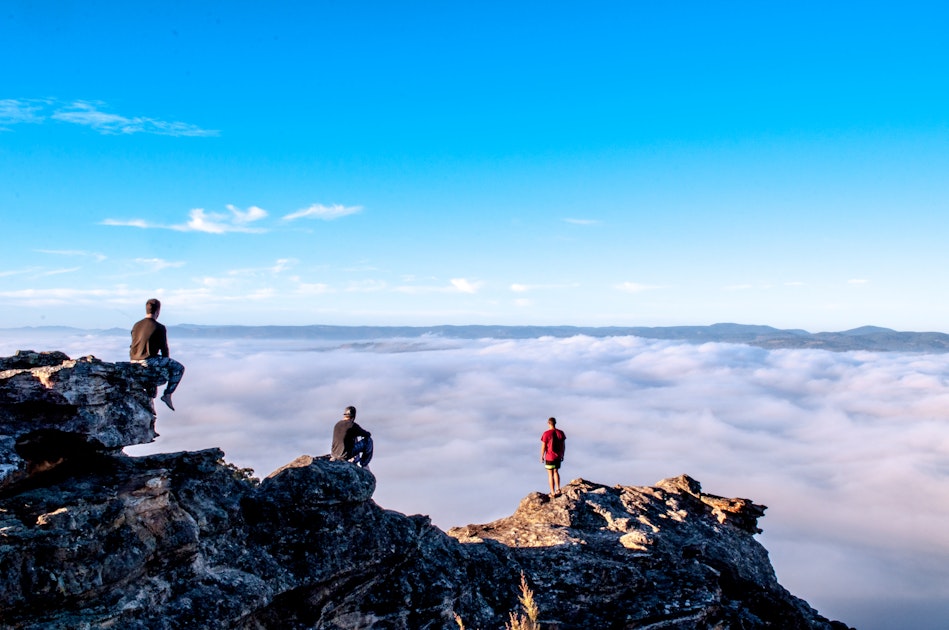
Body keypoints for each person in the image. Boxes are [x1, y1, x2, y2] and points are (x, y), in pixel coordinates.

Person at [130, 298, 185, 411]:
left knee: (156, 374)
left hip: (133, 360)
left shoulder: (136, 325)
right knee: (179, 368)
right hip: (148, 360)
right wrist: (166, 365)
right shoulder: (159, 327)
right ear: (158, 311)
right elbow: (164, 349)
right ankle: (167, 395)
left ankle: (151, 392)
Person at [540, 417, 566, 497]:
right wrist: (562, 454)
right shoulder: (561, 433)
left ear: (548, 423)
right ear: (555, 423)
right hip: (558, 456)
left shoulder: (546, 434)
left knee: (550, 474)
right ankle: (558, 489)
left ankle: (552, 492)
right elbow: (563, 446)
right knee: (556, 472)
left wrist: (542, 456)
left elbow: (544, 446)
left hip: (549, 457)